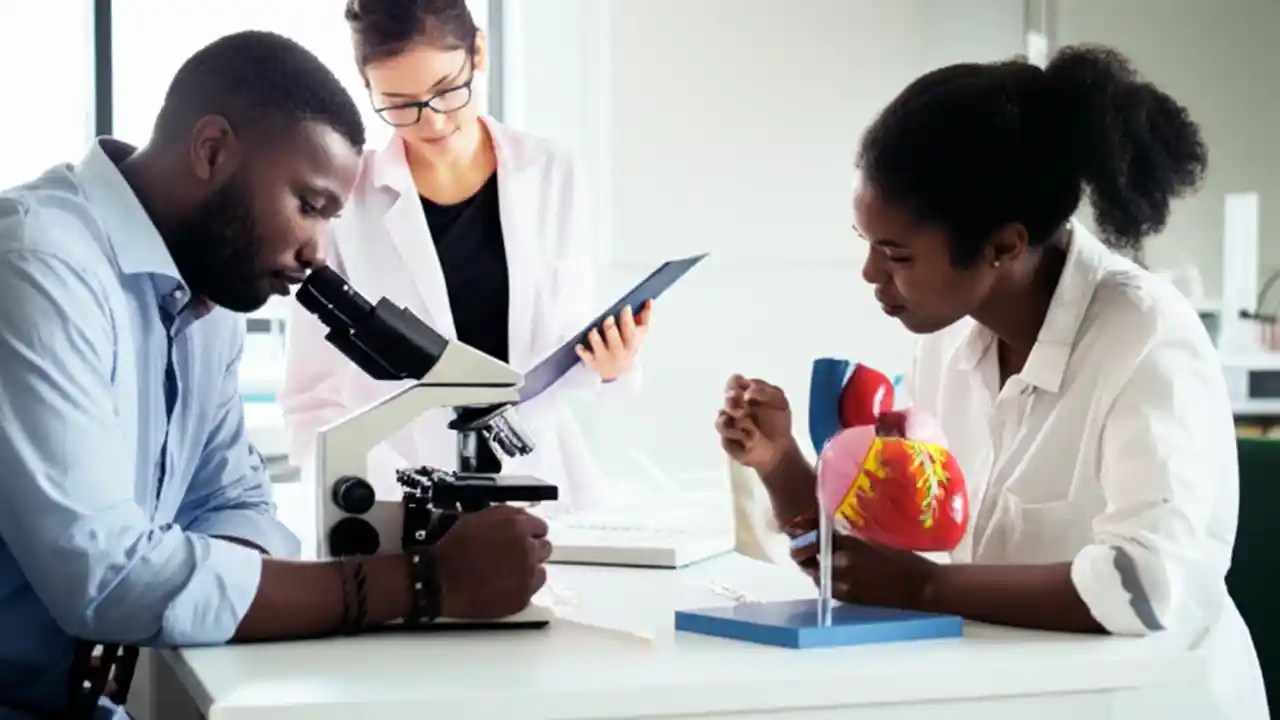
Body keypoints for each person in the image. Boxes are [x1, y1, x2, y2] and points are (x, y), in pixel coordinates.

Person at [0, 31, 548, 719]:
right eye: (309, 206)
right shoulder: (38, 267)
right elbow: (108, 578)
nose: (317, 254)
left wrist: (182, 590)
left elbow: (235, 503)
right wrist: (422, 582)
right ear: (212, 150)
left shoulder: (204, 296)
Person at [716, 45, 1267, 718]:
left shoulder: (1146, 340)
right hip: (1003, 693)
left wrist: (924, 590)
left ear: (1004, 246)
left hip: (1140, 704)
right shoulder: (949, 335)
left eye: (895, 254)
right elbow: (879, 561)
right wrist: (781, 466)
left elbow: (1141, 587)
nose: (869, 274)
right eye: (865, 241)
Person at [280, 0, 649, 514]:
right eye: (399, 103)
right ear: (368, 90)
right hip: (399, 504)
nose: (431, 121)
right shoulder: (347, 200)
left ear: (477, 53)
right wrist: (382, 492)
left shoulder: (551, 171)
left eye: (446, 91)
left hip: (539, 488)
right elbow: (310, 400)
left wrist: (612, 367)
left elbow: (562, 350)